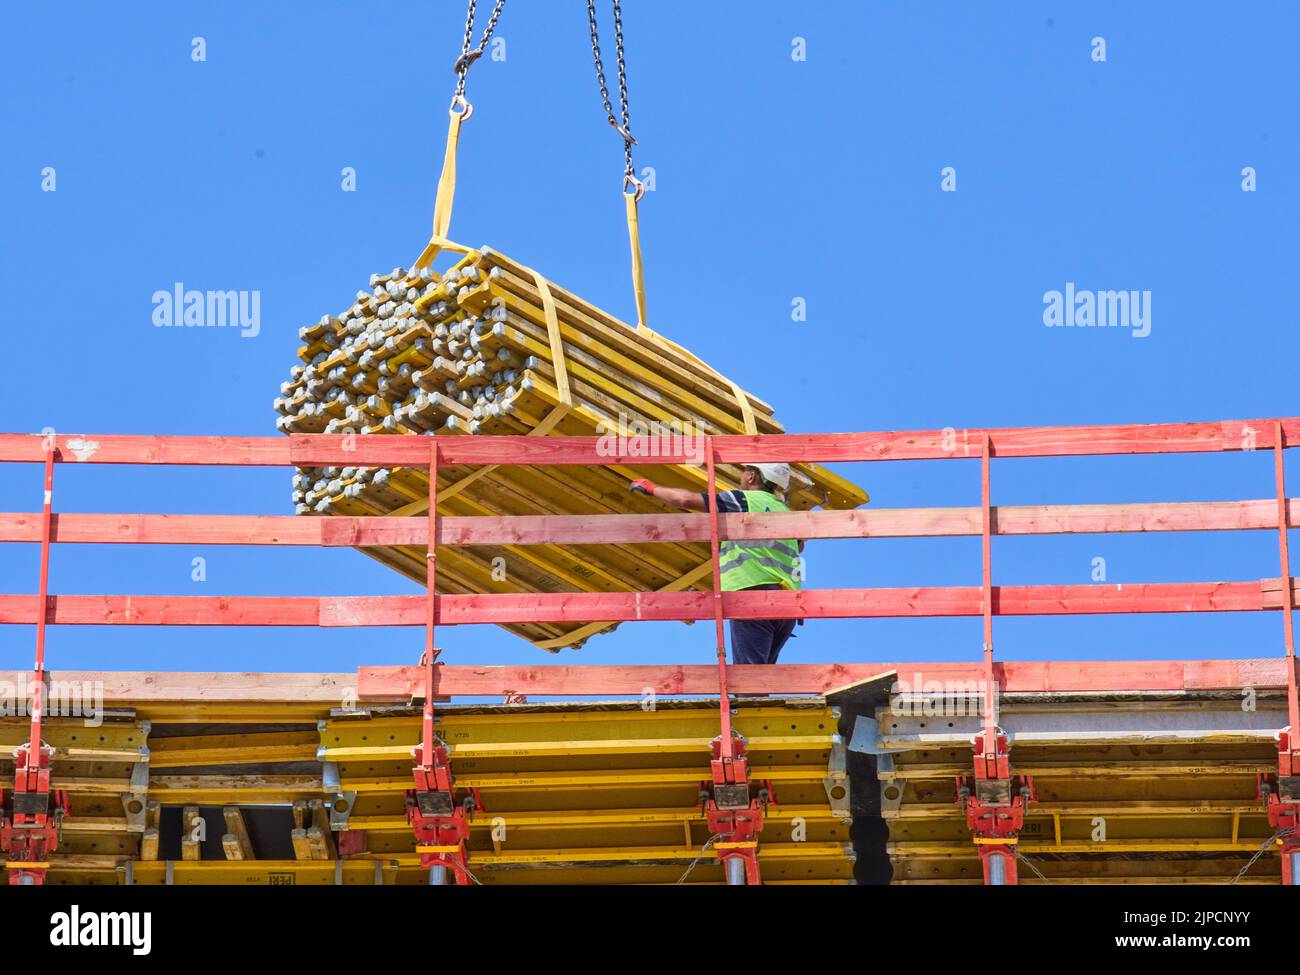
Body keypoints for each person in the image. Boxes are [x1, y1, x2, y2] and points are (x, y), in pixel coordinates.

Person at [629, 463, 802, 665]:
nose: (742, 476)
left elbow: (685, 499)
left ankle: (749, 696)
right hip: (788, 605)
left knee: (749, 678)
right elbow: (799, 545)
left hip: (752, 596)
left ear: (752, 477)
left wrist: (652, 488)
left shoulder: (744, 500)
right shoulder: (786, 512)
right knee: (763, 674)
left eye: (744, 471)